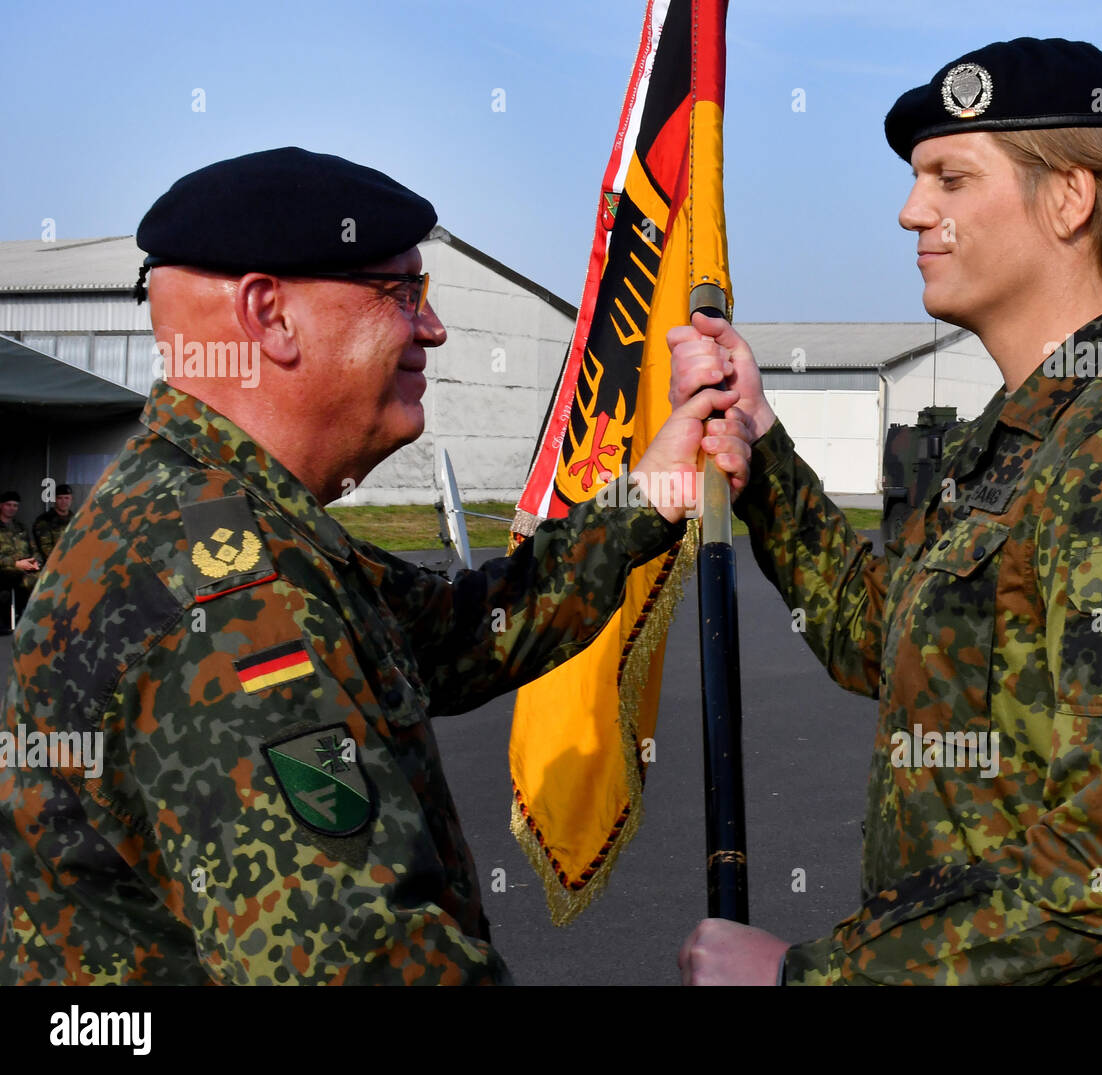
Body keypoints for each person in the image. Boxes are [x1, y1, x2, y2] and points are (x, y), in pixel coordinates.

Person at [0, 147, 751, 985]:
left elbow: (467, 628)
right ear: (270, 315)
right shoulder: (228, 592)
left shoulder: (213, 510)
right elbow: (368, 963)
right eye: (402, 294)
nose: (431, 328)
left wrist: (650, 491)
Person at [672, 38, 1102, 985]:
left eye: (951, 178)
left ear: (1071, 199)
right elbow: (880, 637)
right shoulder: (1027, 433)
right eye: (918, 180)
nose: (912, 211)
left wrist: (806, 978)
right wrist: (761, 448)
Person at [0, 492, 40, 635]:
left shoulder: (21, 528)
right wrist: (15, 564)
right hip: (4, 571)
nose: (12, 508)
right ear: (1, 506)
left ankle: (31, 619)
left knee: (41, 580)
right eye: (8, 505)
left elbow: (34, 549)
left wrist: (35, 562)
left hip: (24, 570)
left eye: (15, 505)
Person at [31, 483, 74, 563]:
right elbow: (46, 550)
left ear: (71, 499)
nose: (63, 501)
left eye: (67, 498)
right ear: (54, 499)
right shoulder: (44, 521)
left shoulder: (75, 519)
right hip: (54, 566)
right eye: (60, 498)